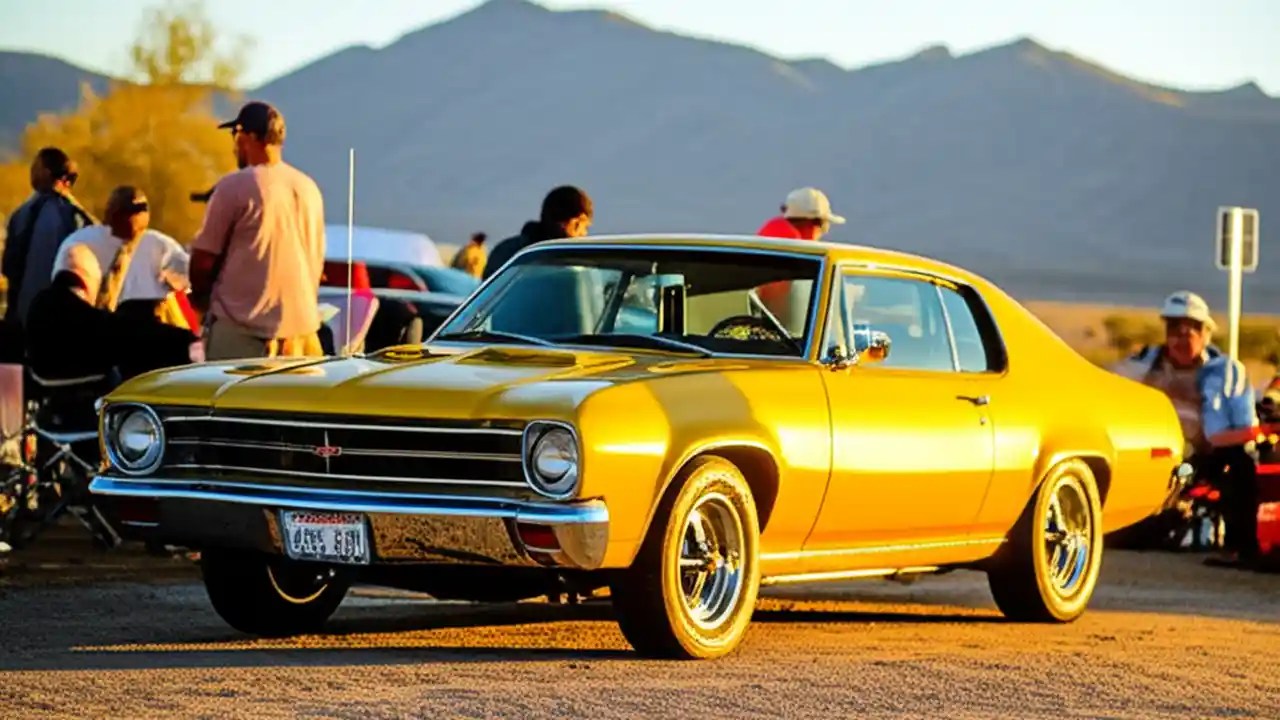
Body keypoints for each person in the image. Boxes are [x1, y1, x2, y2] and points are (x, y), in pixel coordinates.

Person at [1111, 290, 1260, 567]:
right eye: (1174, 329)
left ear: (1205, 333)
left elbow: (1247, 430)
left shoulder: (1226, 372)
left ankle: (1240, 549)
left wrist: (1216, 440)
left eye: (1191, 329)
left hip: (1199, 461)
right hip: (1148, 457)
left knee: (1241, 463)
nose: (1182, 337)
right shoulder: (1141, 365)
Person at [189, 101, 326, 361]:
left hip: (243, 333)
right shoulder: (308, 188)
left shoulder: (234, 186)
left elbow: (203, 261)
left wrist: (202, 304)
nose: (234, 145)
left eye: (235, 135)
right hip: (302, 334)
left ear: (248, 136)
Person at [51, 186, 189, 311]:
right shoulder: (81, 242)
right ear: (110, 212)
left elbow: (190, 279)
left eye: (141, 209)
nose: (134, 216)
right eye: (129, 210)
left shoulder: (159, 245)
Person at [1, 147, 95, 328]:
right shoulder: (78, 216)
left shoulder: (25, 215)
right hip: (60, 317)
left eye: (35, 167)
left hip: (32, 314)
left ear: (46, 172)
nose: (32, 173)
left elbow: (9, 266)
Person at [756, 187, 846, 325]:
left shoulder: (765, 241)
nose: (824, 233)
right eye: (825, 226)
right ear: (815, 224)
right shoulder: (799, 258)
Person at [482, 186, 593, 281]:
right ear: (576, 222)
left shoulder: (507, 252)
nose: (584, 234)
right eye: (584, 226)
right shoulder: (575, 264)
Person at [757, 187, 845, 242]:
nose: (824, 233)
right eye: (823, 227)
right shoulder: (801, 261)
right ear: (813, 226)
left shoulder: (759, 244)